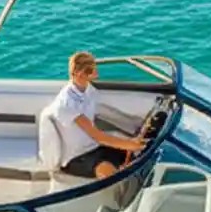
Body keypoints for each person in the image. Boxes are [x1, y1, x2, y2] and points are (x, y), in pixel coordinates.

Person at [47, 51, 145, 179]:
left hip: (94, 147)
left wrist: (133, 141)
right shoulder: (67, 104)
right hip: (77, 157)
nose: (97, 73)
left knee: (136, 154)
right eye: (93, 70)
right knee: (109, 173)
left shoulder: (88, 89)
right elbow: (98, 136)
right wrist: (129, 143)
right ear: (81, 74)